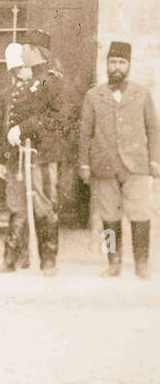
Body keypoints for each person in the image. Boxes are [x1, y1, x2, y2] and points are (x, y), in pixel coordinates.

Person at [79, 41, 157, 278]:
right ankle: (113, 263)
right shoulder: (94, 95)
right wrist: (83, 163)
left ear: (129, 66)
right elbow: (85, 131)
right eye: (113, 62)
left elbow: (153, 129)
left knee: (140, 213)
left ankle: (141, 264)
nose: (116, 67)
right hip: (105, 165)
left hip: (136, 165)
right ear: (106, 65)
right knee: (109, 216)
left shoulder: (142, 94)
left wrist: (155, 161)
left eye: (121, 62)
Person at [0, 30, 67, 275]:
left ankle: (48, 260)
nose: (22, 51)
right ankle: (10, 259)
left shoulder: (51, 80)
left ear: (35, 50)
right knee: (18, 206)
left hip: (43, 155)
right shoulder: (27, 83)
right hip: (21, 156)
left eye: (25, 47)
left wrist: (24, 127)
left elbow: (57, 117)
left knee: (45, 205)